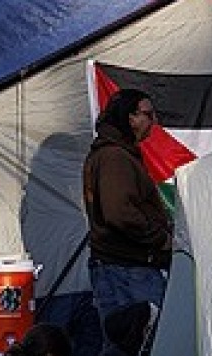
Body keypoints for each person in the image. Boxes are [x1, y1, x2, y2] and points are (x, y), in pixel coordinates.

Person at [82, 88, 172, 325]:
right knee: (140, 345)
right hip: (126, 271)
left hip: (124, 269)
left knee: (129, 347)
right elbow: (119, 212)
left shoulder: (117, 154)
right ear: (130, 118)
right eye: (148, 115)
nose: (153, 122)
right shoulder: (114, 157)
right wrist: (160, 238)